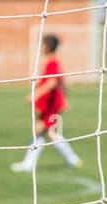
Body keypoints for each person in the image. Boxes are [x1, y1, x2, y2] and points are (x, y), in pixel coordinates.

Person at [11, 34, 81, 172]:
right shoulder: (54, 62)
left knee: (40, 131)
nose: (41, 47)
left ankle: (28, 164)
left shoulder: (53, 63)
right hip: (50, 102)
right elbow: (62, 82)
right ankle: (72, 160)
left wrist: (35, 94)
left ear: (48, 46)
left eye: (43, 44)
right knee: (47, 132)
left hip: (50, 103)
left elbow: (53, 82)